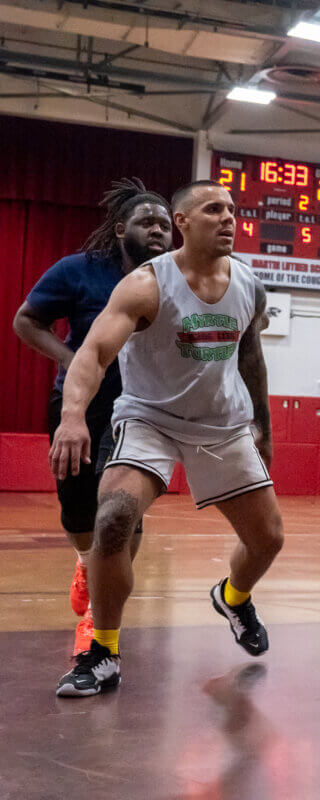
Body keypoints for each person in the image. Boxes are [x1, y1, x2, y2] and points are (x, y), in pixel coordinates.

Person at [50, 180, 282, 697]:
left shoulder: (249, 285)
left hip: (221, 424)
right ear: (183, 221)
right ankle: (103, 652)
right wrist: (72, 417)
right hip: (150, 417)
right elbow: (92, 354)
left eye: (232, 210)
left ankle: (234, 596)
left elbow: (250, 357)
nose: (228, 218)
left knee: (268, 539)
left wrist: (263, 425)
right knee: (111, 520)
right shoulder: (145, 284)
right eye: (214, 209)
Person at [12, 178, 171, 656]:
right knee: (78, 511)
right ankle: (85, 561)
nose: (159, 230)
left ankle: (98, 619)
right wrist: (68, 359)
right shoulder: (78, 271)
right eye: (147, 221)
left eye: (166, 223)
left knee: (123, 514)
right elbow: (26, 320)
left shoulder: (174, 279)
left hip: (141, 411)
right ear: (121, 227)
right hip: (81, 405)